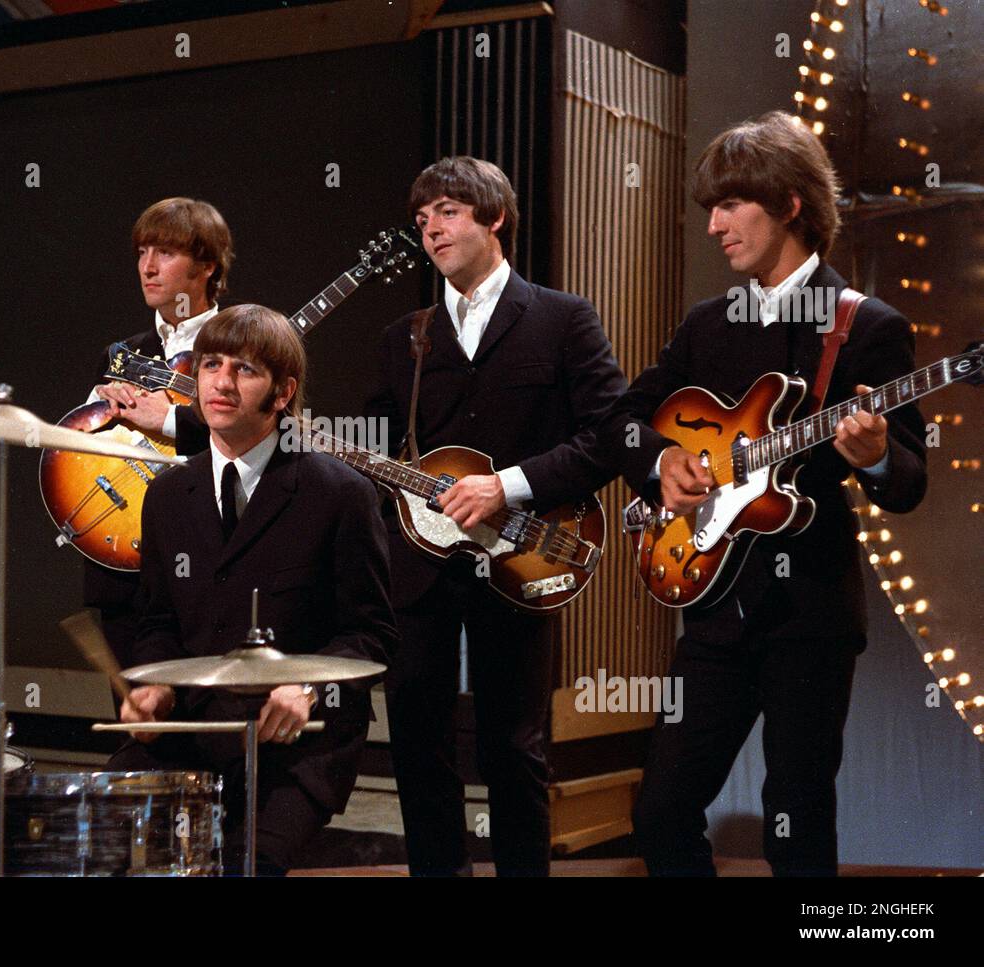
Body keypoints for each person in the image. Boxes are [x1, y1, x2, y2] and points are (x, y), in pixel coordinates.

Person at [600, 111, 928, 876]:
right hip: (713, 609)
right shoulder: (707, 325)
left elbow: (909, 481)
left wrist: (877, 457)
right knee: (660, 813)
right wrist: (661, 462)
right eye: (709, 208)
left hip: (808, 614)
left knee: (795, 824)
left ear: (788, 205)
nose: (713, 225)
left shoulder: (867, 327)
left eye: (730, 205)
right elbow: (618, 419)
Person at [364, 157, 628, 876]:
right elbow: (375, 453)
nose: (431, 230)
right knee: (418, 742)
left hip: (524, 557)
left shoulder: (563, 318)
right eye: (422, 221)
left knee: (514, 746)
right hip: (419, 567)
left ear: (495, 218)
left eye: (447, 211)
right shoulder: (405, 338)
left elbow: (611, 436)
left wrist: (505, 486)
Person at [111, 304, 398, 876]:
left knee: (249, 864)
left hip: (297, 744)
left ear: (283, 392)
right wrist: (152, 689)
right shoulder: (167, 494)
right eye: (210, 364)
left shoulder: (338, 493)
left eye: (244, 369)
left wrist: (309, 687)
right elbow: (158, 623)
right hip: (192, 728)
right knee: (115, 848)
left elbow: (371, 634)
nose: (220, 382)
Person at [82, 197, 232, 665]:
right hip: (128, 566)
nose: (148, 267)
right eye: (142, 252)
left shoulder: (240, 343)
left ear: (207, 265)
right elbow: (88, 456)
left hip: (210, 562)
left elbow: (265, 435)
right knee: (136, 727)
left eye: (164, 253)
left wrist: (167, 420)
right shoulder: (122, 353)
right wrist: (94, 412)